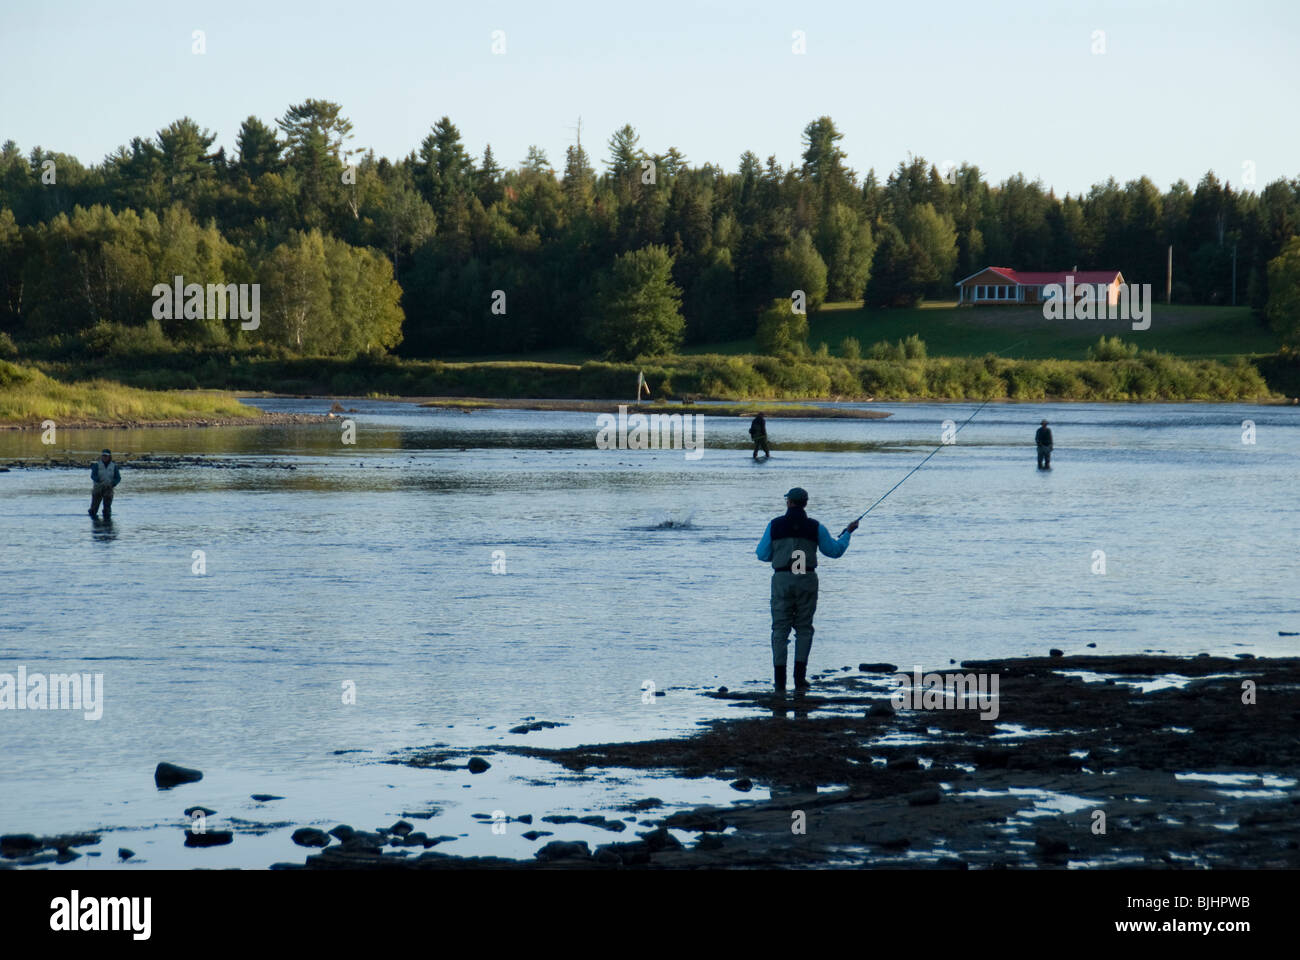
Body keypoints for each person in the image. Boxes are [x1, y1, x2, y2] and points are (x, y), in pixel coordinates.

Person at [755, 487, 858, 693]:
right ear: (805, 503)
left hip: (782, 579)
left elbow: (762, 554)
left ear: (789, 502)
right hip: (807, 579)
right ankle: (800, 679)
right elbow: (835, 551)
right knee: (804, 628)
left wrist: (781, 553)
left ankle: (780, 681)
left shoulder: (775, 525)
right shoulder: (815, 526)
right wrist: (847, 533)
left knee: (779, 630)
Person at [89, 449, 120, 519]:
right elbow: (93, 475)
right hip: (98, 487)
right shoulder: (97, 465)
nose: (104, 457)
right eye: (103, 456)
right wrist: (97, 480)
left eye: (106, 456)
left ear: (109, 457)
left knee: (107, 508)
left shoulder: (114, 466)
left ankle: (107, 522)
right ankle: (94, 519)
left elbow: (118, 477)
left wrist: (114, 483)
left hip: (109, 487)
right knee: (94, 508)